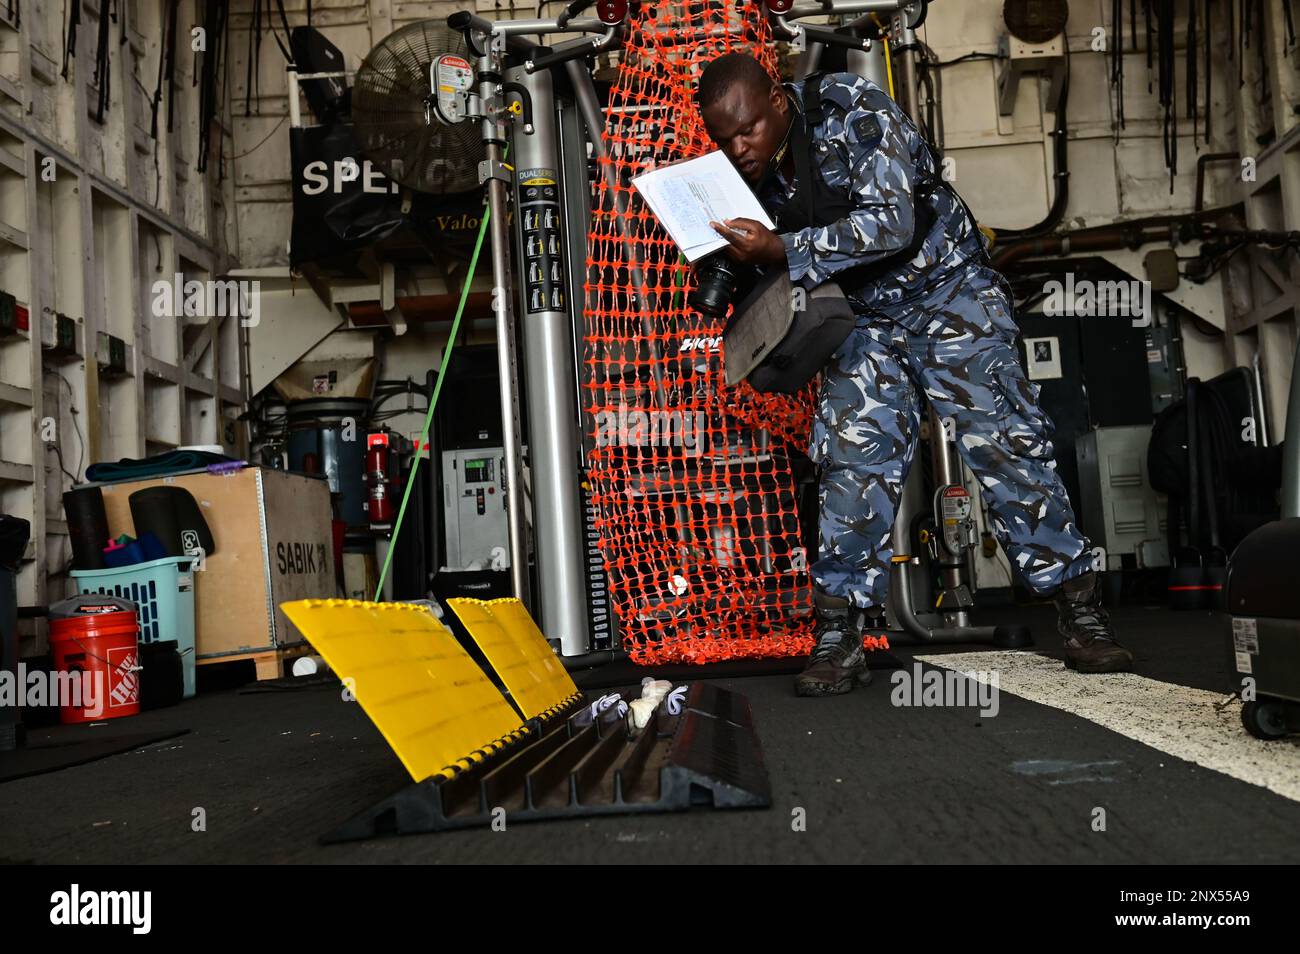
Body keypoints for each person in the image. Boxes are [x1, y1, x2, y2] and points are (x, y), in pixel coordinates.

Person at [696, 52, 1134, 696]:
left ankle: (1079, 611)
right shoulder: (748, 176)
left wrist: (785, 248)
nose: (738, 148)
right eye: (724, 140)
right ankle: (841, 634)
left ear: (778, 102)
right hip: (864, 317)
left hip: (947, 294)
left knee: (1009, 447)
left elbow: (892, 223)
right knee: (851, 463)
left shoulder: (850, 108)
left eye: (748, 130)